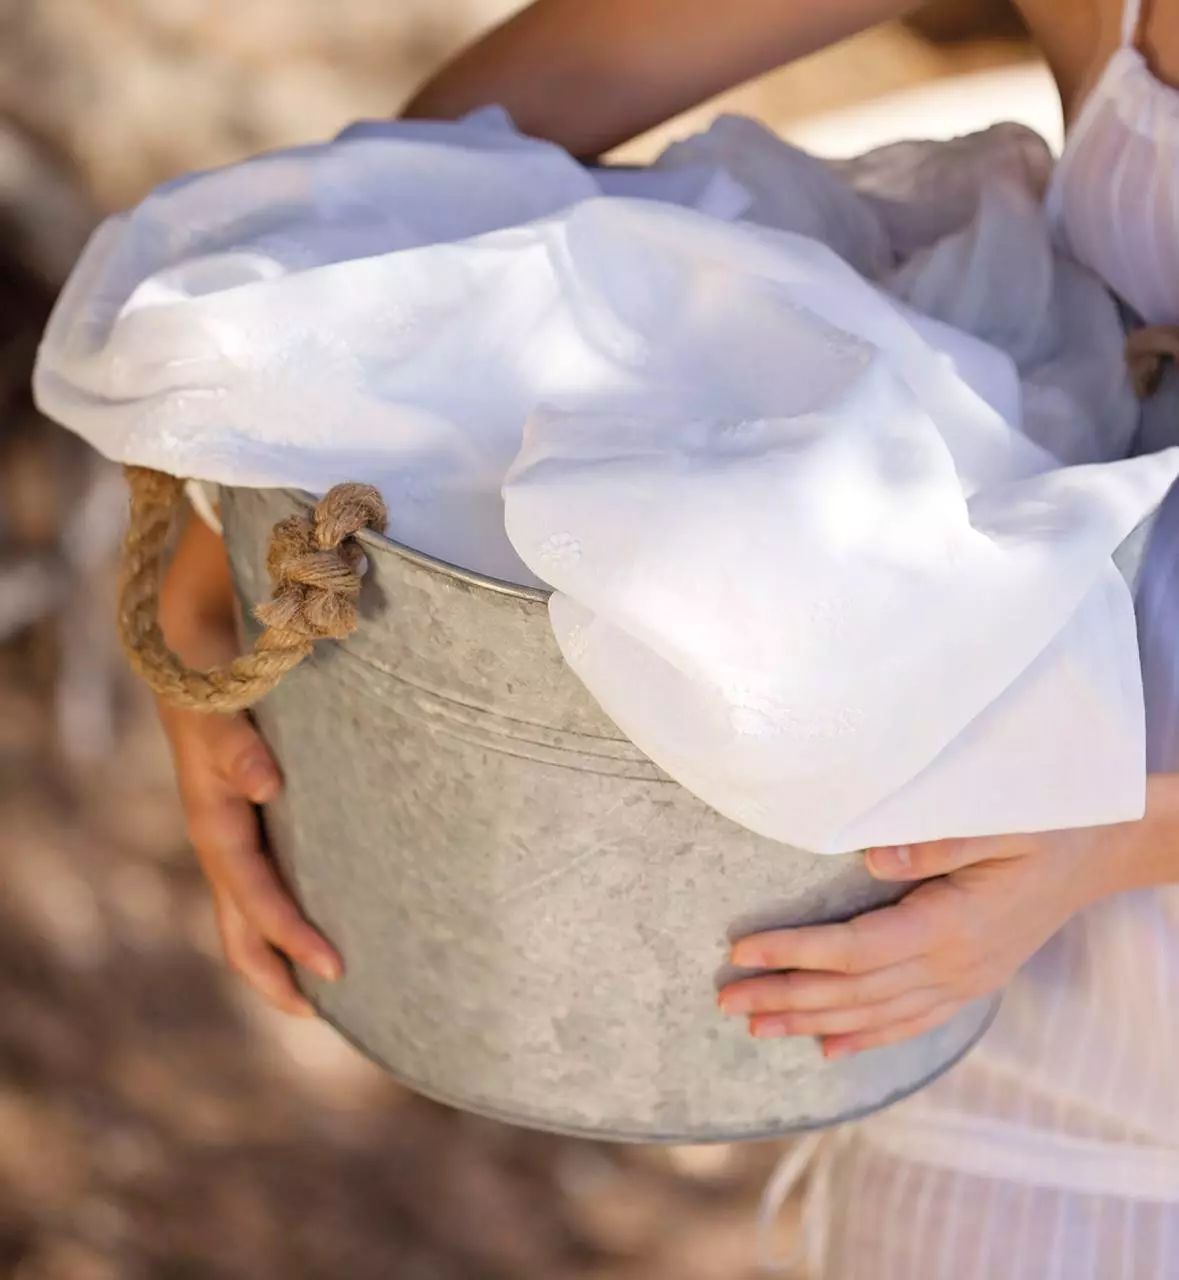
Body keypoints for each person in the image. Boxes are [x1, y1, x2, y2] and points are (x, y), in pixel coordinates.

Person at [158, 0, 1179, 1272]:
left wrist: (1117, 840)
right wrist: (235, 518)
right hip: (1007, 1043)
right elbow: (507, 120)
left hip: (1040, 882)